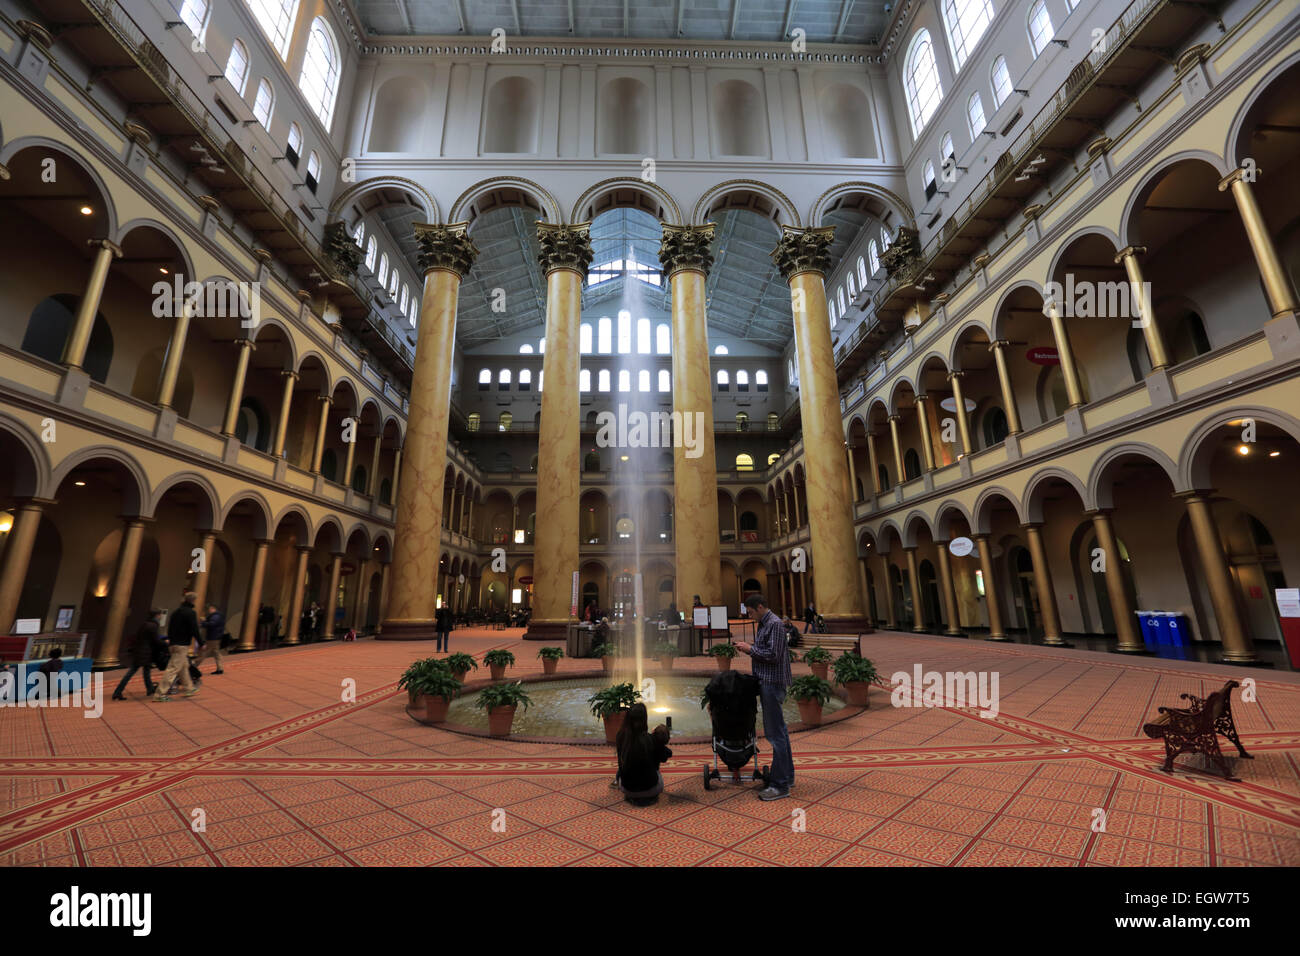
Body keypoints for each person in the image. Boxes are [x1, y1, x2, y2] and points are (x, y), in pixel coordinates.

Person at [734, 594, 793, 801]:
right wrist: (750, 647)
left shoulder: (774, 624)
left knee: (775, 734)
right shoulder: (765, 624)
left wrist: (750, 649)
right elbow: (766, 649)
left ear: (760, 607)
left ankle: (780, 785)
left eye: (751, 612)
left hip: (772, 683)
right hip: (767, 681)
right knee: (781, 732)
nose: (750, 616)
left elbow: (773, 655)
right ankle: (787, 776)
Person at [615, 703, 673, 806]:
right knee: (656, 770)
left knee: (622, 767)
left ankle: (631, 795)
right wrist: (657, 739)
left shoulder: (620, 737)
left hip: (627, 789)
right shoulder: (650, 739)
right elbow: (665, 756)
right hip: (651, 789)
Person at [155, 592, 201, 702]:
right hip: (182, 644)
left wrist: (171, 641)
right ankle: (159, 694)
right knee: (173, 669)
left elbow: (170, 628)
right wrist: (201, 643)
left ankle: (189, 688)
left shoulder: (176, 612)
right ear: (193, 601)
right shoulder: (190, 613)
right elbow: (194, 629)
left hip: (173, 643)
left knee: (183, 666)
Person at [114, 611, 162, 700]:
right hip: (145, 652)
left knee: (146, 671)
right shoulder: (153, 625)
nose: (160, 617)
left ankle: (150, 688)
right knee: (133, 671)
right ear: (157, 615)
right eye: (160, 615)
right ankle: (118, 691)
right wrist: (164, 643)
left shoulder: (145, 624)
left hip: (140, 650)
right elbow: (156, 640)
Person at [196, 604, 225, 675]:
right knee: (216, 653)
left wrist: (203, 623)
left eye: (209, 609)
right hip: (216, 637)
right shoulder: (217, 616)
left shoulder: (215, 616)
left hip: (213, 637)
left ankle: (194, 665)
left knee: (204, 652)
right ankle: (220, 668)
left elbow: (212, 624)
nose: (208, 611)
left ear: (213, 609)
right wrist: (205, 620)